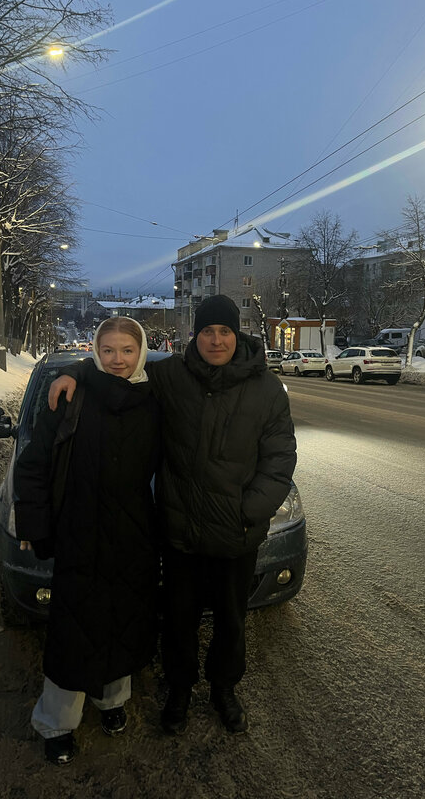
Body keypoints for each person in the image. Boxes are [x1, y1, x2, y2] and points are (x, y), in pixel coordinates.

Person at [48, 295, 297, 736]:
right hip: (180, 532)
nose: (216, 340)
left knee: (231, 621)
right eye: (207, 331)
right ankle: (179, 689)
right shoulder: (170, 376)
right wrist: (76, 371)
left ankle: (224, 689)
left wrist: (250, 511)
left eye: (224, 331)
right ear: (195, 336)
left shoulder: (267, 388)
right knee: (179, 620)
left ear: (237, 335)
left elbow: (280, 459)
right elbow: (118, 368)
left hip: (235, 533)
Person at [14, 317, 161, 766]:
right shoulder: (71, 396)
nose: (118, 360)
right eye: (108, 350)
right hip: (80, 531)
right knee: (74, 630)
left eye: (127, 350)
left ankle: (111, 700)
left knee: (123, 620)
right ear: (95, 351)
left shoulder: (153, 398)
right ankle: (57, 723)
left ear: (141, 353)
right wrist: (33, 523)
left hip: (133, 534)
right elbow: (35, 462)